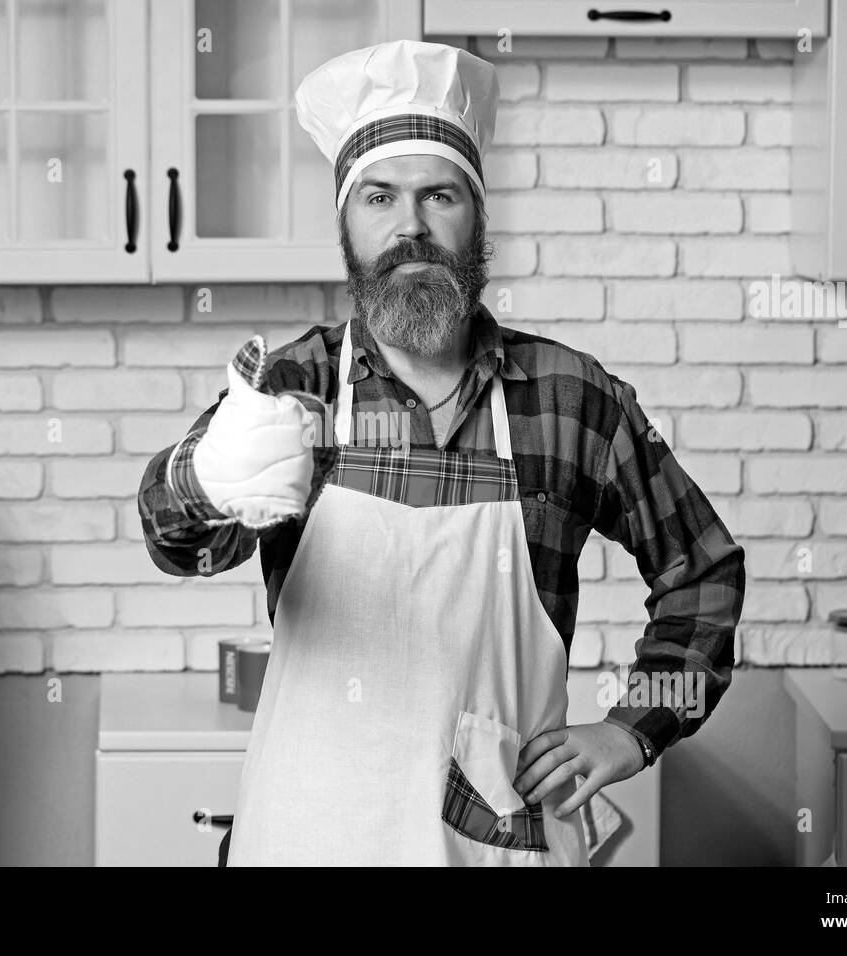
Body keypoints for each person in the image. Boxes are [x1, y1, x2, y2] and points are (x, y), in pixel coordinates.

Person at [139, 40, 746, 867]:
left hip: (494, 845)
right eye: (379, 197)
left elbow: (703, 569)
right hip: (310, 835)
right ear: (347, 223)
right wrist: (205, 482)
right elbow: (178, 541)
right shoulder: (292, 389)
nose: (410, 228)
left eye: (440, 196)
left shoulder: (568, 399)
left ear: (478, 217)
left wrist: (629, 731)